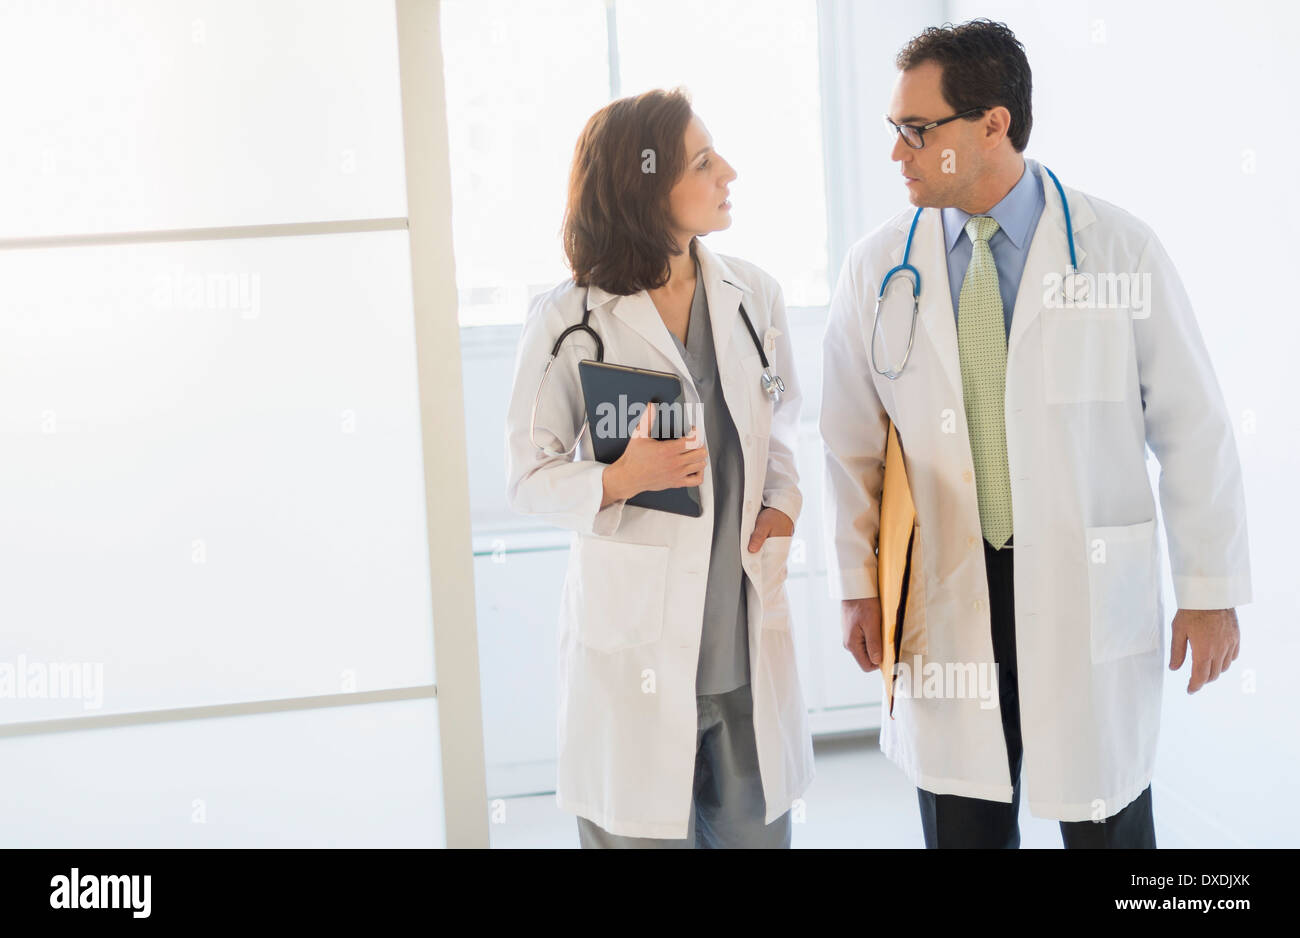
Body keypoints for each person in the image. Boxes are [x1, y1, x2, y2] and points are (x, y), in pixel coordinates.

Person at [819, 19, 1251, 848]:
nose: (898, 152)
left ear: (993, 125)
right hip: (943, 587)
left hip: (1085, 582)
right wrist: (855, 581)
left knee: (1109, 823)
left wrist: (1209, 589)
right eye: (893, 131)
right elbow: (849, 446)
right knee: (964, 821)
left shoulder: (1117, 249)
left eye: (918, 130)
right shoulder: (877, 268)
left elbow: (1194, 427)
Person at [504, 88, 813, 847]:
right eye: (704, 163)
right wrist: (616, 479)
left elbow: (783, 427)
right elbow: (528, 474)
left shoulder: (754, 296)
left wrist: (784, 502)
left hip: (741, 649)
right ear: (646, 186)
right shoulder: (569, 317)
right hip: (633, 655)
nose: (728, 173)